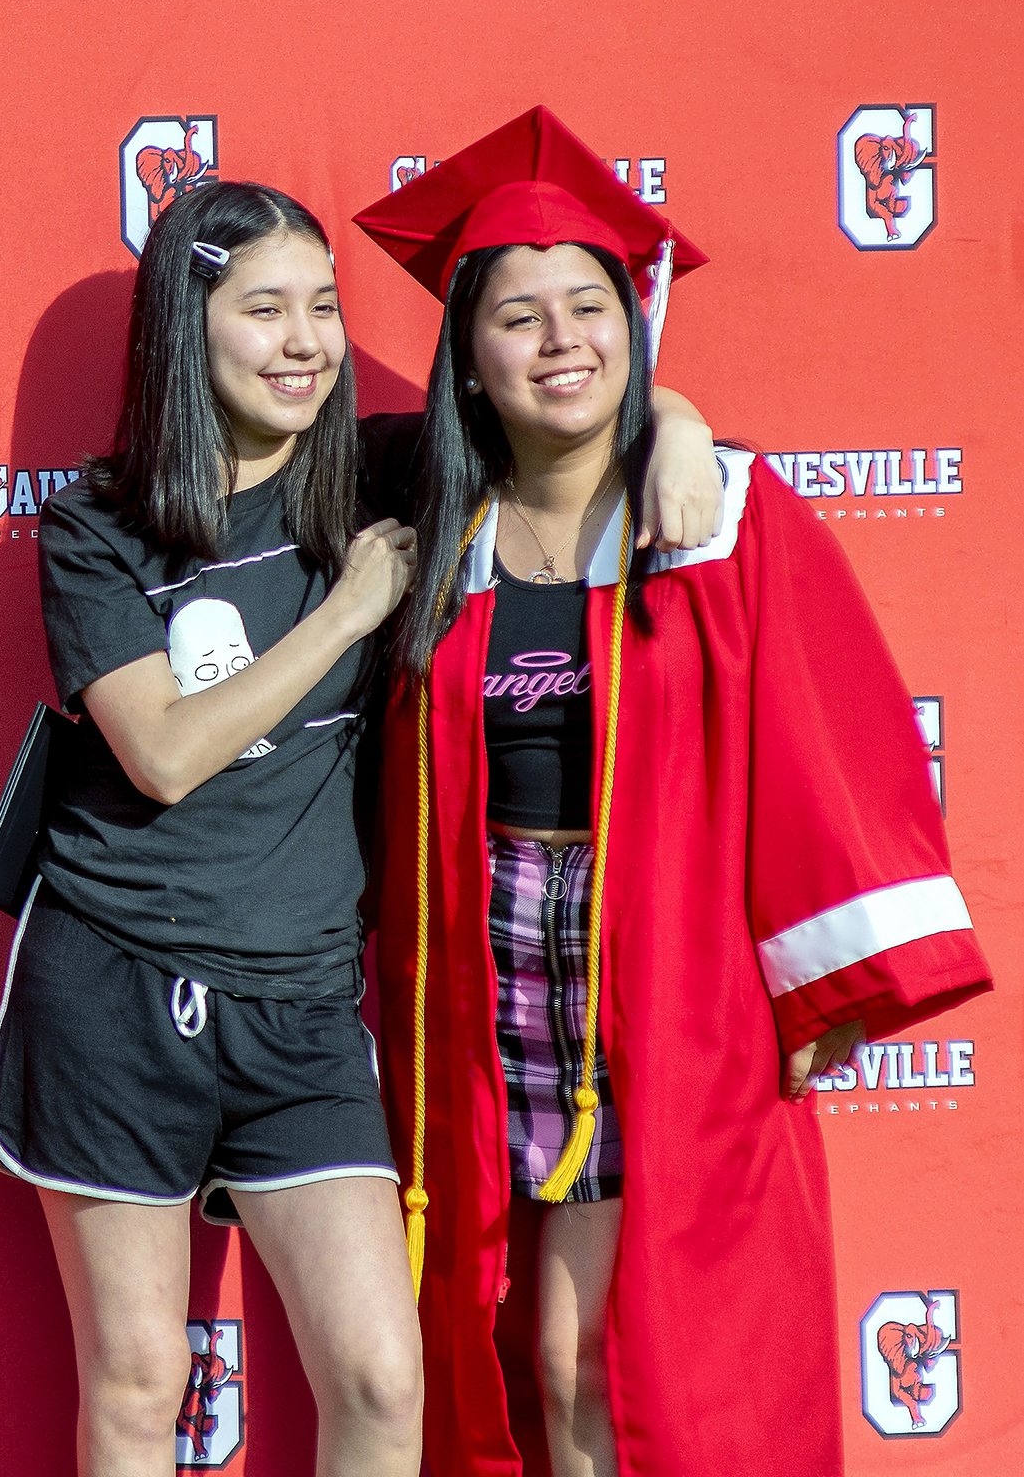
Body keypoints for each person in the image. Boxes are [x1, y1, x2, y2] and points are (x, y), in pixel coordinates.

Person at [0, 175, 721, 1477]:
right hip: (114, 992)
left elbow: (559, 428)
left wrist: (670, 416)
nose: (306, 341)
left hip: (308, 1010)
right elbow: (157, 753)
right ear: (184, 330)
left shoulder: (381, 470)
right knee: (140, 1381)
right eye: (264, 309)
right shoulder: (95, 527)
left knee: (382, 1380)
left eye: (322, 307)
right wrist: (343, 612)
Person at [353, 108, 993, 1477]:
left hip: (654, 968)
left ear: (632, 329)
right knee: (499, 1338)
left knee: (606, 1352)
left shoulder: (719, 518)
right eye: (516, 316)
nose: (559, 340)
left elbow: (838, 740)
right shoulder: (418, 527)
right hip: (478, 981)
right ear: (466, 362)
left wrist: (817, 987)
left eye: (588, 306)